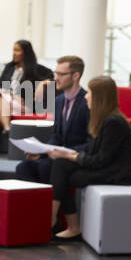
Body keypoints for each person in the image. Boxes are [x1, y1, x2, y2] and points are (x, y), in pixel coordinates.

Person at [49, 76, 131, 241]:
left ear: (99, 97)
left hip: (120, 175)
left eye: (89, 93)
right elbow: (92, 152)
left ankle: (53, 218)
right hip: (107, 167)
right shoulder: (101, 120)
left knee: (70, 175)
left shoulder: (114, 123)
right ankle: (62, 221)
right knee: (61, 165)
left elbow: (99, 160)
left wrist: (72, 156)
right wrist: (68, 156)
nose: (85, 96)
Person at [15, 55, 91, 188]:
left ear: (75, 76)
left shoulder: (87, 103)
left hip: (74, 158)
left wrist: (62, 152)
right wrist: (42, 151)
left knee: (46, 166)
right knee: (23, 167)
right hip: (56, 156)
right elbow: (56, 136)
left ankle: (48, 206)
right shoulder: (59, 101)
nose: (55, 78)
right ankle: (31, 207)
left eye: (61, 74)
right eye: (56, 73)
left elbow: (90, 143)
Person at [0, 39, 54, 146]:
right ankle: (6, 130)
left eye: (17, 50)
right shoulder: (9, 67)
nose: (14, 53)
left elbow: (52, 78)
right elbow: (0, 84)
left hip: (24, 104)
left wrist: (43, 83)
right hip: (7, 102)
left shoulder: (36, 69)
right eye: (13, 50)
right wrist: (10, 93)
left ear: (25, 52)